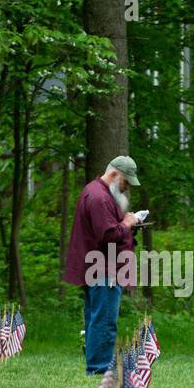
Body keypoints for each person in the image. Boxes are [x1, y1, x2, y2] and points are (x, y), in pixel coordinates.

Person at [62, 156, 143, 375]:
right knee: (104, 321)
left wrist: (127, 222)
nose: (126, 188)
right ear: (116, 174)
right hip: (104, 268)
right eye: (126, 181)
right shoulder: (100, 198)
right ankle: (98, 370)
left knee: (96, 319)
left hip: (98, 267)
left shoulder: (97, 192)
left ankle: (96, 367)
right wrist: (127, 222)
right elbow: (108, 235)